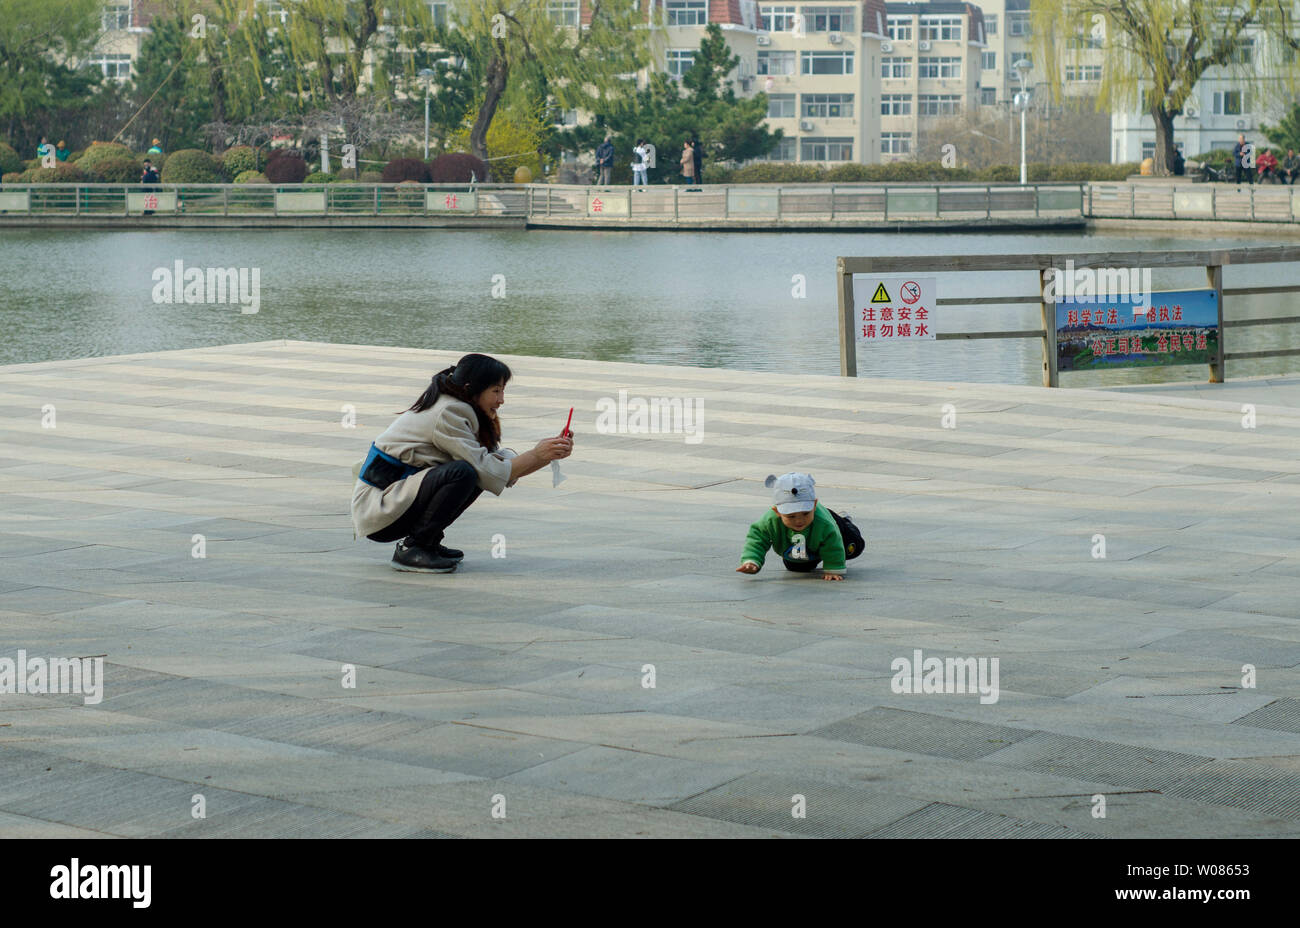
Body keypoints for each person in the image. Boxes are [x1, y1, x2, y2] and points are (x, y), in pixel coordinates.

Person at [350, 354, 574, 573]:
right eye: (496, 391)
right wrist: (538, 455)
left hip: (394, 499)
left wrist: (546, 454)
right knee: (463, 473)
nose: (501, 399)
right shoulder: (450, 412)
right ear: (470, 389)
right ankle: (414, 547)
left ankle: (427, 543)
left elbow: (495, 464)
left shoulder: (459, 406)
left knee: (472, 471)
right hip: (378, 509)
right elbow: (489, 470)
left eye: (503, 390)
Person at [736, 473, 852, 581]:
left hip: (829, 525)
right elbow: (757, 539)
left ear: (814, 505)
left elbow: (833, 543)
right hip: (806, 547)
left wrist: (833, 568)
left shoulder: (824, 523)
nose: (799, 520)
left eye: (805, 513)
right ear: (777, 512)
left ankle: (843, 520)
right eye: (791, 516)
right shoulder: (770, 521)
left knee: (852, 548)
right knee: (797, 567)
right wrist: (752, 560)